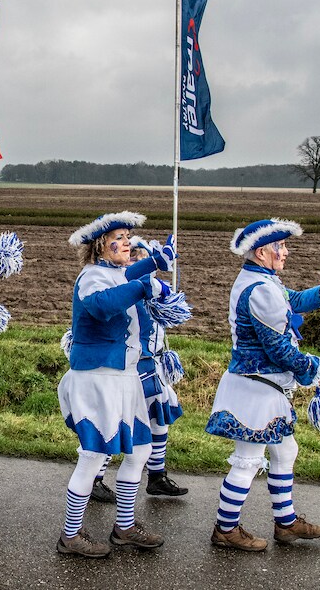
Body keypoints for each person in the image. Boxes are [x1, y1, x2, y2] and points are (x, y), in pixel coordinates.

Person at [207, 218, 320, 551]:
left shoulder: (263, 280)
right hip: (255, 387)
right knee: (248, 460)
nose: (286, 252)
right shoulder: (260, 289)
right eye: (281, 247)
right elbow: (279, 349)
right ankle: (225, 529)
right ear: (262, 252)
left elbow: (293, 300)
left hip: (263, 385)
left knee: (285, 450)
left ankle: (286, 523)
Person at [57, 212, 177, 558]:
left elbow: (128, 274)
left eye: (128, 237)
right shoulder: (92, 276)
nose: (127, 243)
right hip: (97, 378)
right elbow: (100, 306)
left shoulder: (112, 272)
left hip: (124, 378)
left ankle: (124, 527)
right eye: (120, 238)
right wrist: (144, 284)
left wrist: (156, 262)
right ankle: (70, 535)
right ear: (100, 246)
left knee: (140, 451)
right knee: (94, 457)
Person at [129, 237, 188, 497]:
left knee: (159, 421)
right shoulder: (129, 289)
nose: (139, 262)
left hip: (155, 365)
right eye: (135, 258)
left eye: (143, 258)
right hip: (134, 367)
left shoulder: (149, 289)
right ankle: (95, 479)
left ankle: (157, 475)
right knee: (120, 424)